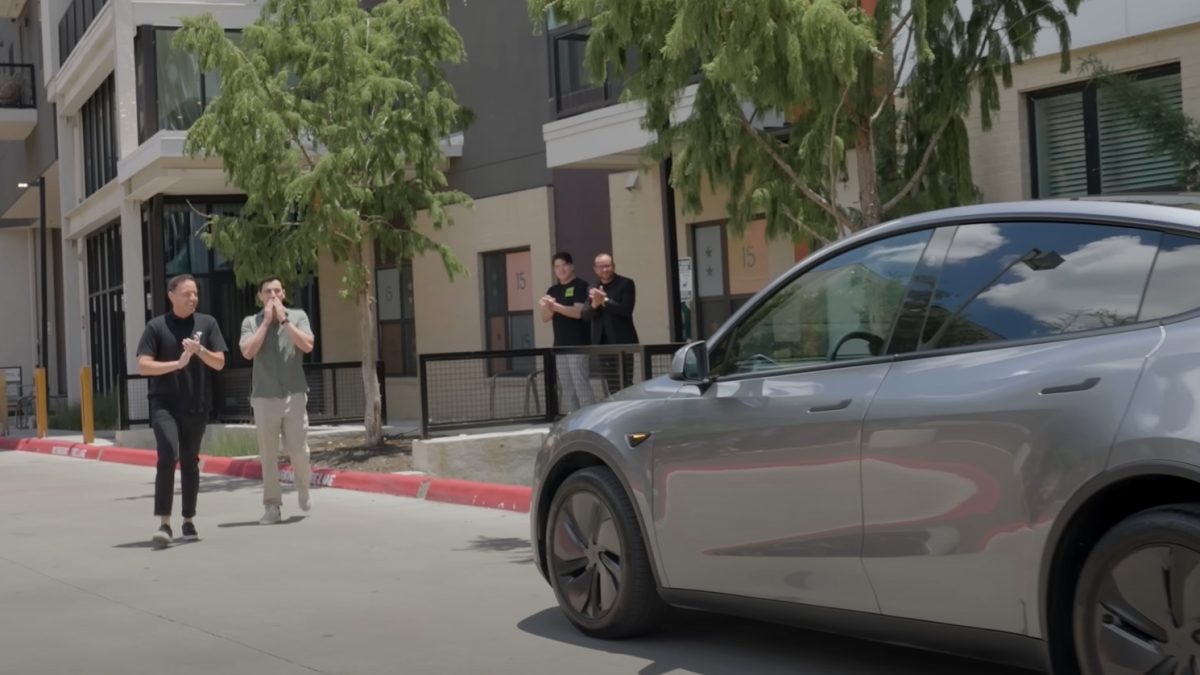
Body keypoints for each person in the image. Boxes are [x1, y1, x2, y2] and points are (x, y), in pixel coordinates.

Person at [136, 274, 227, 548]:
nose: (193, 299)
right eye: (187, 294)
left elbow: (220, 362)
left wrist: (199, 351)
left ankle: (188, 519)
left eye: (195, 294)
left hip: (196, 405)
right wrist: (177, 363)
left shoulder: (207, 324)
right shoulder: (156, 327)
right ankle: (164, 523)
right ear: (171, 295)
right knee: (167, 455)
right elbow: (143, 366)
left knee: (189, 461)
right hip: (164, 404)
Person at [239, 277, 316, 525]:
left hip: (293, 394)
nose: (272, 295)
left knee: (299, 450)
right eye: (267, 292)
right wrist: (266, 323)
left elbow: (308, 346)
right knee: (268, 455)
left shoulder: (298, 316)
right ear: (261, 296)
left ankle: (303, 486)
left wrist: (283, 320)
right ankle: (272, 505)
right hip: (264, 397)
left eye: (276, 291)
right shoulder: (250, 322)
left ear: (283, 294)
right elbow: (248, 351)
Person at [539, 252, 595, 414]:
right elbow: (544, 317)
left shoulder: (580, 285)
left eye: (564, 265)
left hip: (578, 345)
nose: (561, 269)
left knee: (580, 385)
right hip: (560, 346)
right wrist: (551, 307)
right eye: (557, 266)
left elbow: (578, 312)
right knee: (567, 388)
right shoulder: (553, 290)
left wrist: (554, 306)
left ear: (571, 266)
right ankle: (573, 421)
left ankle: (589, 419)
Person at [583, 253, 639, 393]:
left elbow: (626, 309)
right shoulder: (592, 288)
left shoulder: (626, 283)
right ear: (595, 269)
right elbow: (586, 316)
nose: (605, 269)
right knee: (611, 383)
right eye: (601, 267)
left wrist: (605, 301)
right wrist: (595, 304)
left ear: (613, 266)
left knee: (625, 381)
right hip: (602, 344)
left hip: (622, 342)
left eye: (608, 266)